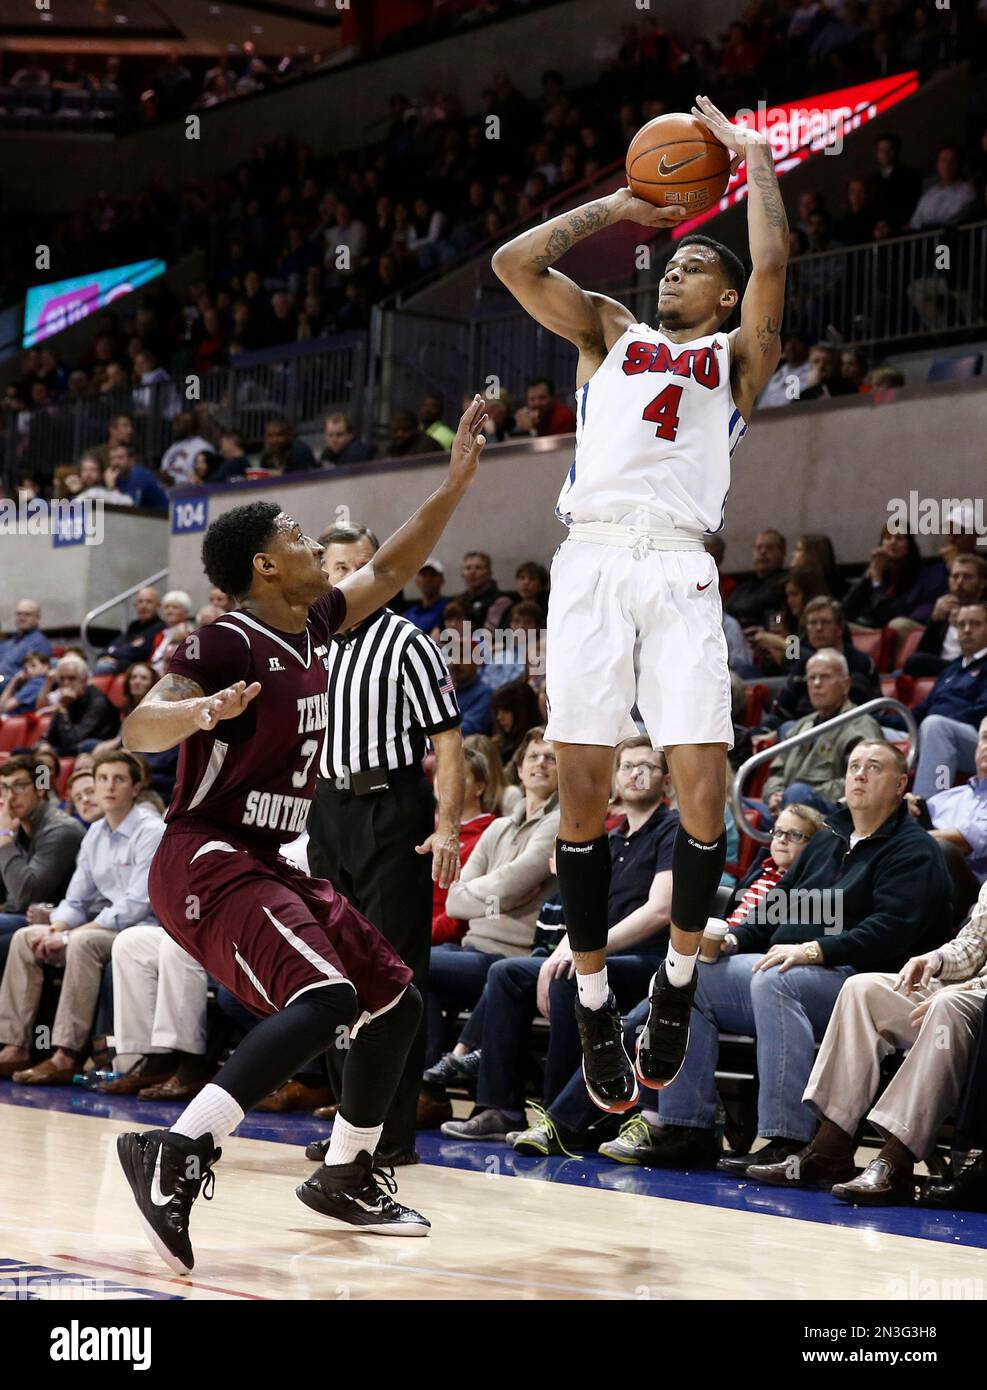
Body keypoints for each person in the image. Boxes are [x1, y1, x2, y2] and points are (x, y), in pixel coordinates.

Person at [115, 397, 487, 1268]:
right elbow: (138, 727)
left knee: (394, 997)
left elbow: (393, 564)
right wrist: (199, 710)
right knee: (324, 1000)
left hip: (272, 861)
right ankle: (179, 1148)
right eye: (296, 534)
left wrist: (458, 480)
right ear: (264, 566)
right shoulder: (227, 640)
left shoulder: (311, 622)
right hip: (205, 857)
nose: (315, 543)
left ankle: (347, 1171)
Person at [492, 91, 789, 1113]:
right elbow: (514, 265)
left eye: (695, 265)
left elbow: (776, 272)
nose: (675, 271)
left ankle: (673, 983)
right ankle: (585, 996)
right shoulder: (608, 332)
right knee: (581, 799)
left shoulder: (736, 358)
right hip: (590, 562)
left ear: (722, 296)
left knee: (702, 794)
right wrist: (622, 203)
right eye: (672, 261)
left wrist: (754, 163)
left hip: (678, 565)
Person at [606, 740, 951, 1170]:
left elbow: (892, 932)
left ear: (901, 784)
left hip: (860, 981)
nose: (860, 774)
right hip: (788, 964)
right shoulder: (828, 841)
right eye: (854, 765)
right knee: (686, 974)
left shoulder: (913, 850)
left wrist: (814, 949)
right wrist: (730, 940)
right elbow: (775, 908)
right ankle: (687, 1128)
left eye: (874, 767)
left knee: (776, 978)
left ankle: (787, 1137)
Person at [303, 523, 464, 1165]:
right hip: (326, 809)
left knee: (393, 973)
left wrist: (446, 826)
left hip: (391, 807)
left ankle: (388, 1137)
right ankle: (351, 1129)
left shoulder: (407, 644)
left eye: (360, 566)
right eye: (336, 567)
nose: (347, 578)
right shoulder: (309, 644)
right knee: (333, 971)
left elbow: (448, 741)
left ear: (382, 571)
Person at [440, 739, 679, 1148]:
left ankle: (559, 1119)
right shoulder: (612, 836)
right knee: (509, 974)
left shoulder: (672, 829)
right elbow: (584, 911)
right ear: (616, 778)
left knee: (572, 976)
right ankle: (498, 1108)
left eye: (648, 767)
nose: (636, 773)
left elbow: (659, 911)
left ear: (667, 780)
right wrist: (560, 950)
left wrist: (585, 952)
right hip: (599, 955)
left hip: (649, 959)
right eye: (627, 766)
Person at [746, 889, 986, 1204]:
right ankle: (829, 1147)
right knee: (862, 989)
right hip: (962, 987)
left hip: (975, 996)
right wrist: (937, 959)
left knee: (947, 1007)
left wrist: (975, 985)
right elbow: (975, 942)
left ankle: (896, 1161)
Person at [0, 752, 164, 1086]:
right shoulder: (96, 833)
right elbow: (76, 899)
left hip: (143, 930)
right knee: (25, 938)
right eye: (102, 779)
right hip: (104, 927)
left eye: (119, 779)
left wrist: (70, 934)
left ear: (136, 787)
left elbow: (136, 905)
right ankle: (15, 1045)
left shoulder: (151, 830)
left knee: (83, 942)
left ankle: (66, 1053)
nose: (108, 787)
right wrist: (56, 928)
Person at [424, 730, 559, 1066]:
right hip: (470, 948)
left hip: (512, 955)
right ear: (520, 767)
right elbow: (455, 900)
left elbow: (512, 882)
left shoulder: (560, 823)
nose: (540, 763)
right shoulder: (498, 827)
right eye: (533, 756)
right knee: (405, 970)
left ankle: (431, 1085)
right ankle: (427, 1081)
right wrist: (502, 899)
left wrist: (492, 895)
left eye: (551, 758)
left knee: (413, 965)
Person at [761, 649, 883, 816]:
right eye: (811, 678)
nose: (816, 684)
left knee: (798, 793)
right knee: (730, 805)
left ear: (845, 684)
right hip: (787, 808)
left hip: (833, 813)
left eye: (825, 677)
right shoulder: (800, 726)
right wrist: (774, 795)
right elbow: (776, 772)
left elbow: (863, 780)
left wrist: (806, 793)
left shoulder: (861, 725)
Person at [0, 754, 86, 958]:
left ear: (40, 788)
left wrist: (4, 841)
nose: (8, 797)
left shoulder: (62, 830)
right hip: (18, 916)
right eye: (3, 787)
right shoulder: (14, 825)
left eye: (19, 786)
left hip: (53, 921)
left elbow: (28, 895)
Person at [904, 603, 987, 799]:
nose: (966, 630)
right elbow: (922, 710)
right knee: (872, 729)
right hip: (932, 729)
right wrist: (880, 718)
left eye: (975, 624)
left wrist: (937, 720)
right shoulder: (951, 669)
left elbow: (981, 712)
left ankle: (926, 810)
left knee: (936, 726)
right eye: (961, 625)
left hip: (977, 738)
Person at [432, 746, 496, 945]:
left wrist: (419, 935)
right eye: (441, 773)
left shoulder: (492, 833)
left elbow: (477, 902)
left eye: (457, 775)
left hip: (450, 941)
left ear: (479, 787)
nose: (445, 781)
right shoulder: (421, 830)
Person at [905, 554, 987, 677]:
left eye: (967, 577)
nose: (959, 582)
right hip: (940, 666)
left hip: (969, 668)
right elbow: (925, 651)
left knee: (916, 662)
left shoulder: (984, 612)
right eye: (955, 576)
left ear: (982, 583)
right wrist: (935, 621)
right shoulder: (944, 608)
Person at [46, 656, 121, 756]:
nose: (66, 683)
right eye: (62, 679)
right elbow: (51, 737)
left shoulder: (98, 703)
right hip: (70, 748)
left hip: (95, 752)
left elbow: (73, 741)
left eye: (71, 678)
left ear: (84, 680)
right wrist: (44, 745)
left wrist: (63, 708)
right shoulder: (68, 699)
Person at [725, 531, 788, 629]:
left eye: (769, 548)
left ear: (782, 551)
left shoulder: (785, 583)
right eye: (758, 548)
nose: (763, 552)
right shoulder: (744, 587)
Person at [94, 588, 164, 674]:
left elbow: (141, 653)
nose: (143, 606)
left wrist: (116, 656)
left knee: (103, 667)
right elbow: (110, 647)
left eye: (148, 602)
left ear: (158, 605)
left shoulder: (160, 627)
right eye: (140, 602)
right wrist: (129, 647)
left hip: (138, 669)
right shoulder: (133, 626)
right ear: (135, 605)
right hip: (123, 665)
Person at [457, 550, 512, 631]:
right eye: (468, 568)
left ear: (489, 572)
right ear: (462, 574)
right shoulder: (458, 602)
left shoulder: (501, 601)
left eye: (478, 568)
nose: (472, 572)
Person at [0, 599, 52, 683]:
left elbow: (33, 677)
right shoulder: (9, 642)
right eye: (19, 614)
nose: (21, 618)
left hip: (13, 690)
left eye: (27, 614)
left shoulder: (39, 643)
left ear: (37, 618)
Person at [159, 412, 214, 486]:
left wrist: (175, 481)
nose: (174, 426)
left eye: (179, 422)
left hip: (190, 493)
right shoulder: (175, 446)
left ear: (191, 425)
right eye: (175, 422)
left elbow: (204, 480)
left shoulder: (203, 447)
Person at [511, 377, 577, 437]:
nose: (537, 403)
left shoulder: (564, 416)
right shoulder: (530, 415)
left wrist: (530, 431)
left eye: (542, 398)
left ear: (552, 398)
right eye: (532, 399)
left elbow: (553, 448)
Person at [402, 558, 446, 633]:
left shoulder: (448, 609)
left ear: (442, 580)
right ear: (417, 582)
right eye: (424, 575)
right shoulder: (409, 614)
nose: (428, 579)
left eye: (433, 575)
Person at [0, 649, 51, 715]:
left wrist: (14, 681)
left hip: (17, 721)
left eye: (33, 666)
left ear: (46, 667)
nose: (29, 670)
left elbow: (3, 707)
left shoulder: (36, 683)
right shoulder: (40, 682)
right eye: (25, 668)